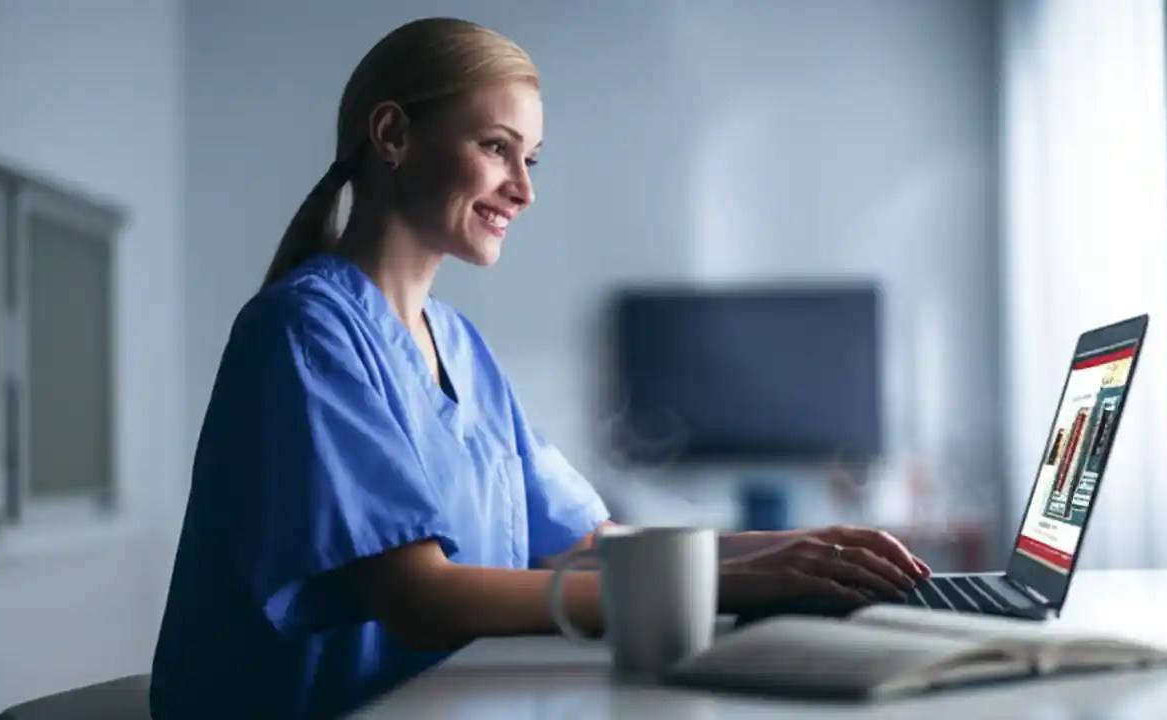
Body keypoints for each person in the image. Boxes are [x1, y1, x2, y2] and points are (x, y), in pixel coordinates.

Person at [149, 17, 932, 719]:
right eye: (496, 148)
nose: (523, 188)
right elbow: (422, 598)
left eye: (530, 158)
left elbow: (588, 545)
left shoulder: (458, 345)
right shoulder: (305, 329)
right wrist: (732, 584)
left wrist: (795, 550)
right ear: (392, 134)